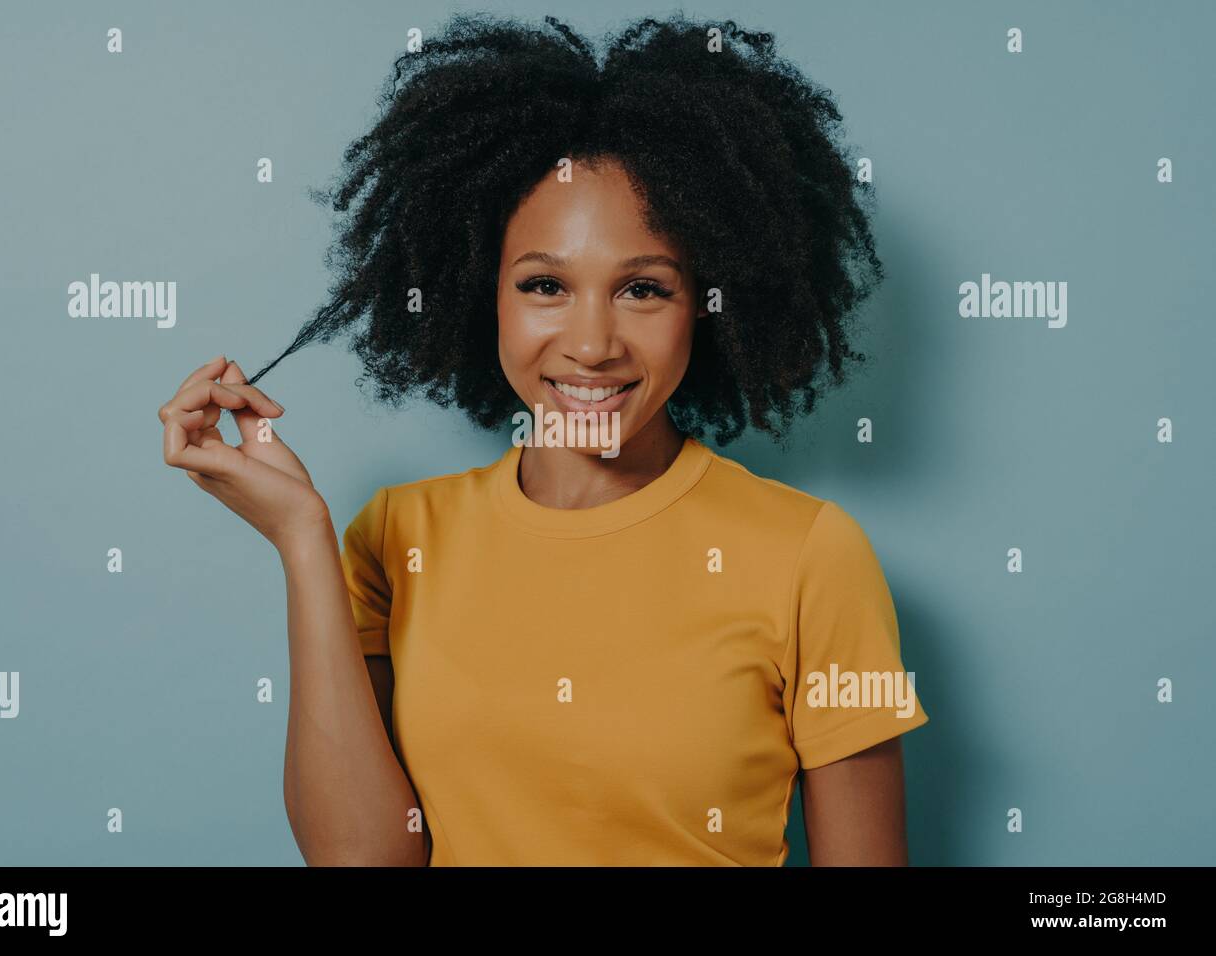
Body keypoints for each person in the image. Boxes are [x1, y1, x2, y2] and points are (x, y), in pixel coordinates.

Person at [157, 12, 929, 866]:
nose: (593, 343)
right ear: (474, 290)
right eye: (545, 285)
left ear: (709, 306)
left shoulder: (811, 556)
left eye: (643, 289)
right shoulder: (396, 538)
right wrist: (301, 540)